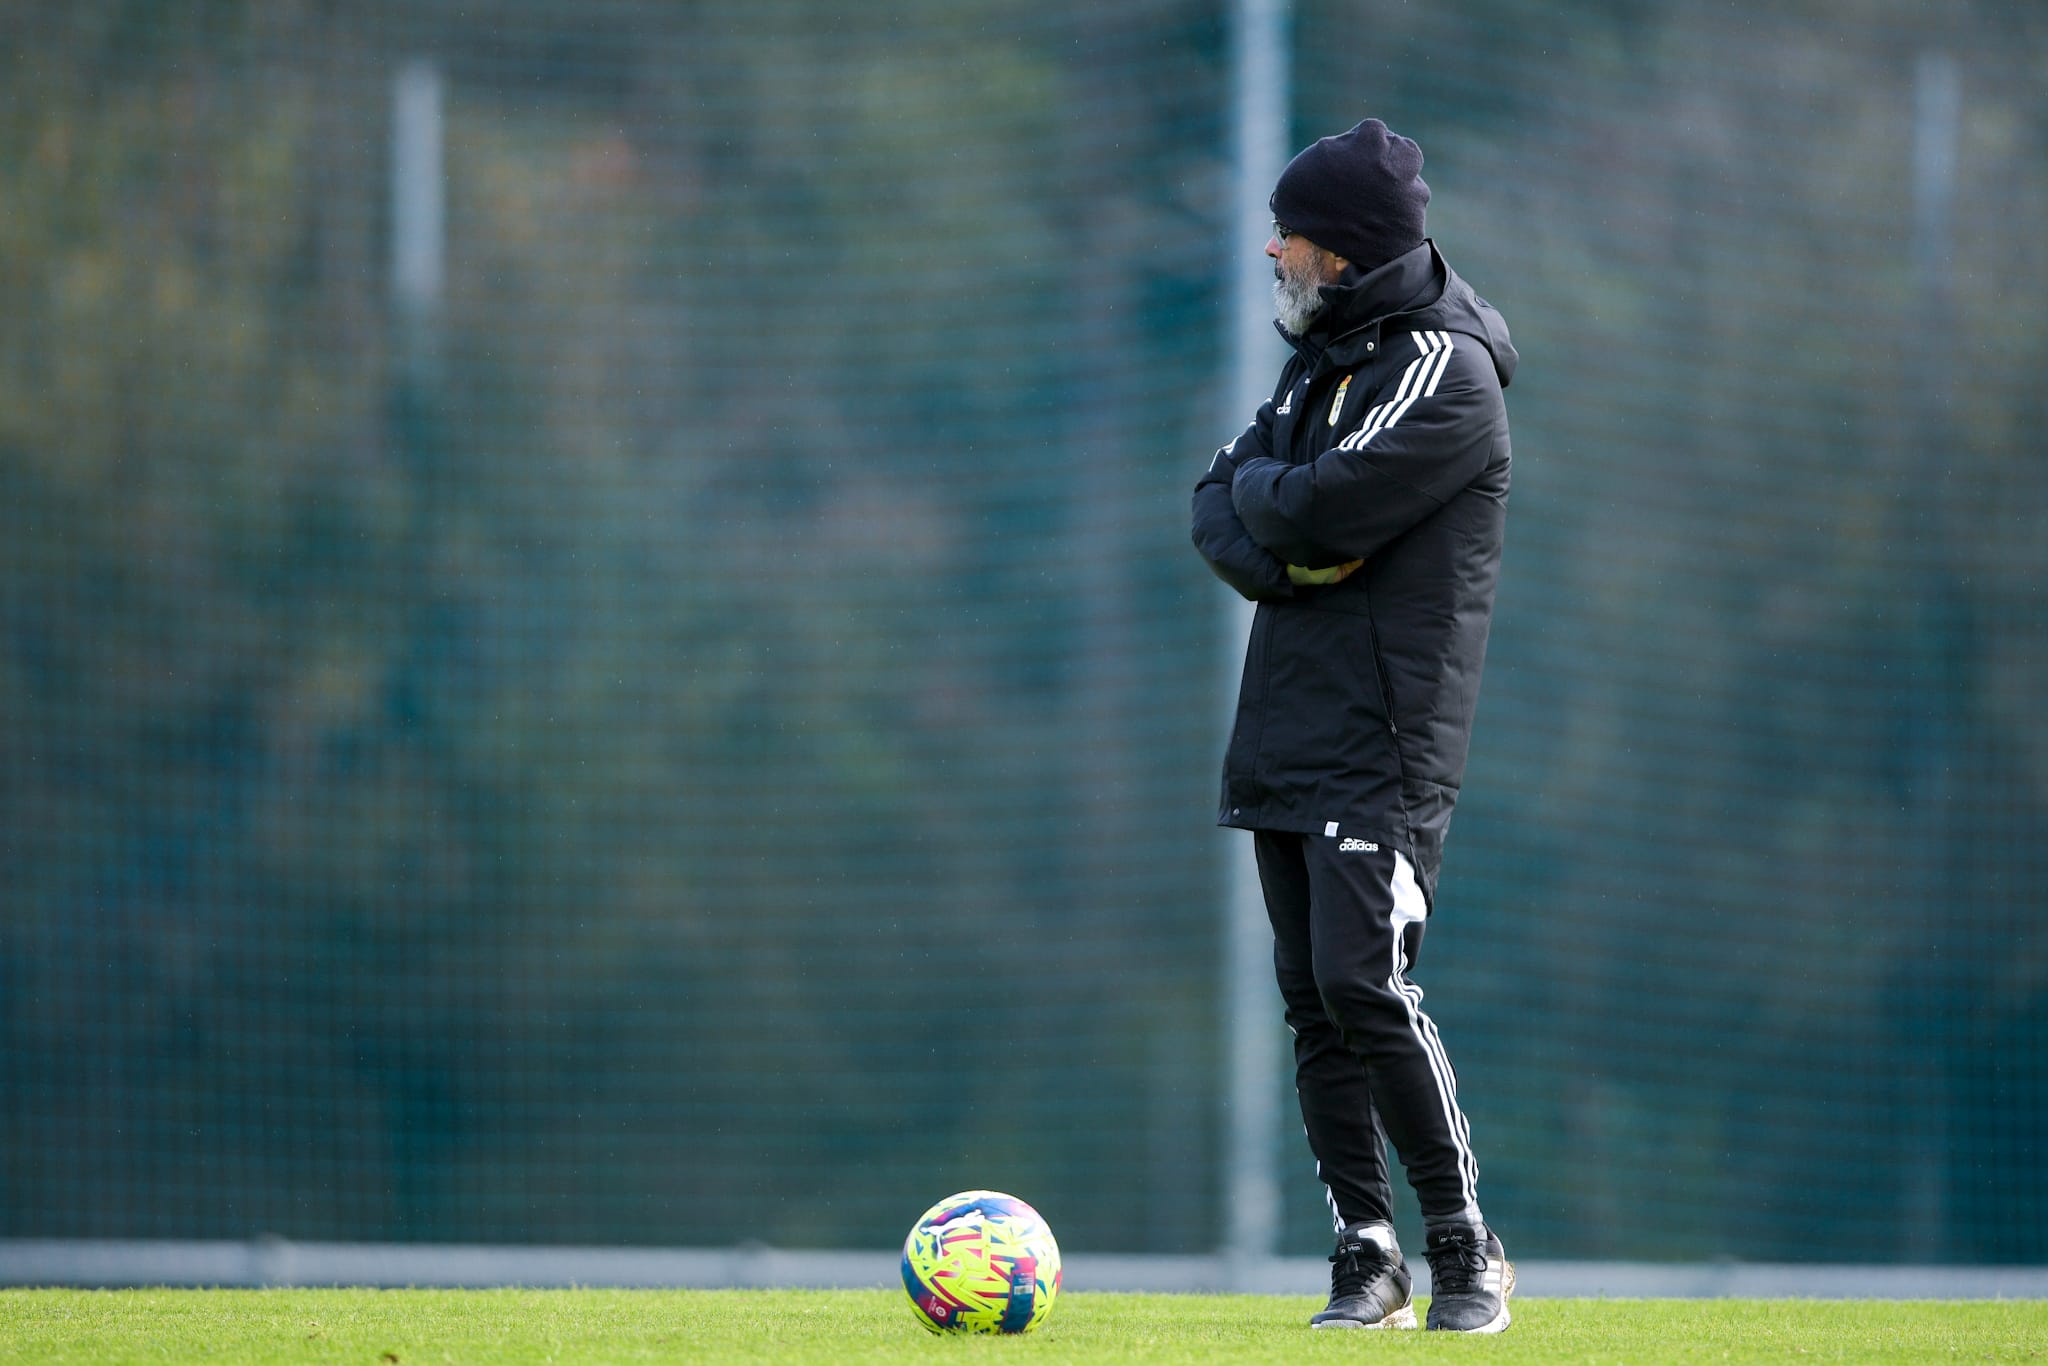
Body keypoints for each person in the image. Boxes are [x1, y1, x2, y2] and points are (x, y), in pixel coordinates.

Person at [1190, 117, 1518, 1333]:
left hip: (1381, 739)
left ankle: (1462, 1245)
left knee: (1361, 981)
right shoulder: (1319, 359)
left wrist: (1279, 521)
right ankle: (1363, 1252)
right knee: (1310, 998)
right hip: (1283, 722)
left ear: (1346, 248)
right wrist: (1285, 549)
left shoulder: (1446, 371)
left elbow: (1308, 507)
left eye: (1291, 233)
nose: (1272, 249)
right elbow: (1211, 502)